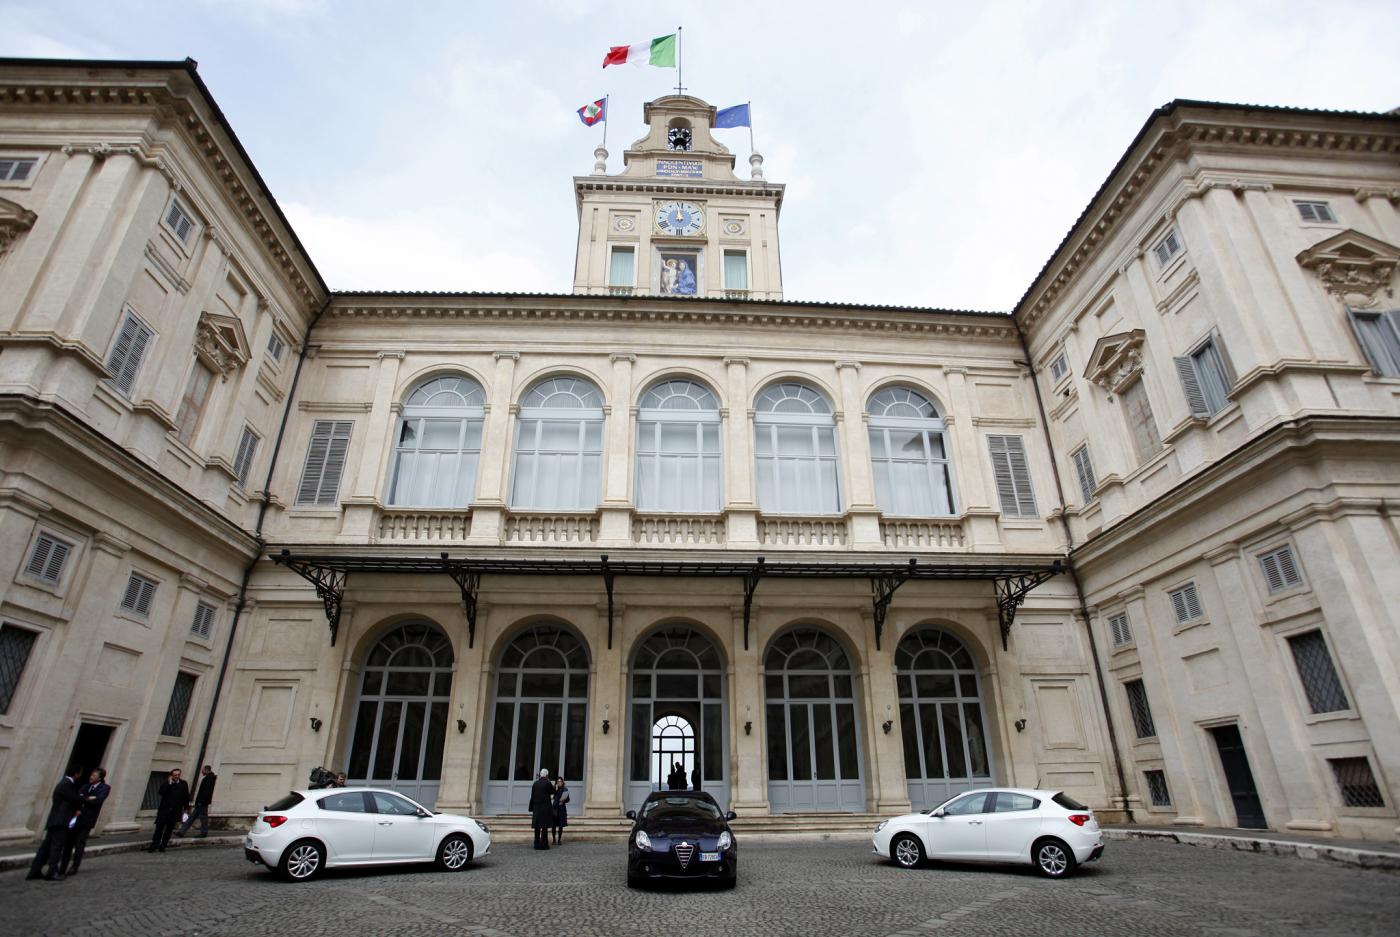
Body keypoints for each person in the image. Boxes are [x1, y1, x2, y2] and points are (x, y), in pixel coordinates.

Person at [27, 770, 81, 881]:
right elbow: (75, 799)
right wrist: (84, 798)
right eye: (79, 774)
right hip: (60, 821)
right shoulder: (67, 784)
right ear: (76, 774)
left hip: (54, 820)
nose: (79, 776)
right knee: (56, 846)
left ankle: (35, 871)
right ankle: (52, 872)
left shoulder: (62, 783)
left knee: (46, 847)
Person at [59, 768, 110, 876]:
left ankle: (75, 866)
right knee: (68, 843)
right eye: (91, 774)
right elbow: (77, 798)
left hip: (87, 819)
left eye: (94, 775)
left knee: (79, 843)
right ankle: (63, 867)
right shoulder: (85, 786)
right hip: (75, 818)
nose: (91, 777)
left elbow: (98, 801)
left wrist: (84, 799)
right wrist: (88, 798)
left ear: (100, 778)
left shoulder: (105, 788)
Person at [147, 768, 189, 853]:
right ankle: (154, 845)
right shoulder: (167, 783)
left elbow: (186, 797)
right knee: (159, 829)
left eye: (178, 775)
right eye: (175, 775)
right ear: (171, 775)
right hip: (164, 810)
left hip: (175, 810)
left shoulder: (183, 784)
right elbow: (161, 792)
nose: (176, 776)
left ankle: (163, 846)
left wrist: (185, 809)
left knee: (169, 830)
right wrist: (169, 783)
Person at [176, 765, 216, 838]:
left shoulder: (209, 778)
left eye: (203, 770)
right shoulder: (208, 778)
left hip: (203, 802)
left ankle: (204, 832)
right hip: (200, 802)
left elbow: (207, 791)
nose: (202, 771)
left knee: (203, 818)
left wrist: (201, 801)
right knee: (192, 816)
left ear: (206, 770)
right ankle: (181, 832)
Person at [528, 768, 554, 850]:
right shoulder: (548, 783)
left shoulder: (535, 783)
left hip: (537, 807)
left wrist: (531, 808)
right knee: (544, 827)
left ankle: (536, 843)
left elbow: (532, 796)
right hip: (545, 808)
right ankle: (544, 844)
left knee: (537, 826)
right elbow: (553, 792)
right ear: (546, 775)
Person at [550, 776, 570, 846]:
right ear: (556, 782)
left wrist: (564, 800)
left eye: (560, 781)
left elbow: (568, 799)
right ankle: (554, 840)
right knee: (553, 825)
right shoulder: (554, 789)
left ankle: (559, 840)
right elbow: (552, 797)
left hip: (561, 809)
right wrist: (555, 790)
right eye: (558, 782)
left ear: (562, 782)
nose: (559, 783)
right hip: (555, 809)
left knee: (561, 825)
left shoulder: (565, 789)